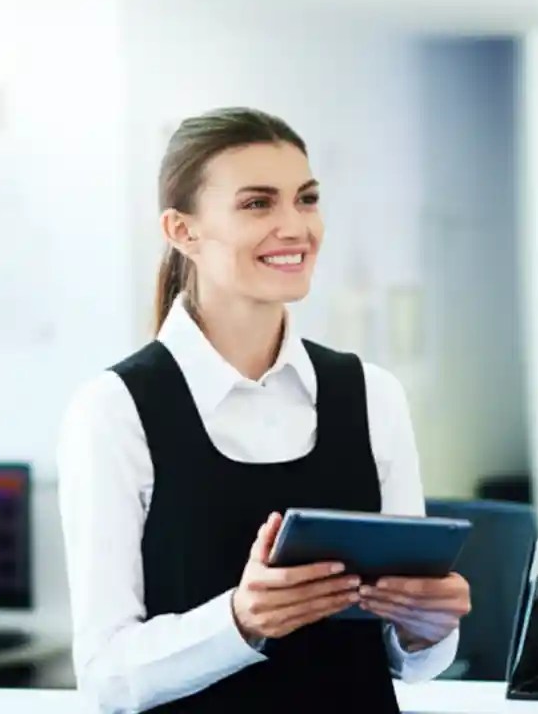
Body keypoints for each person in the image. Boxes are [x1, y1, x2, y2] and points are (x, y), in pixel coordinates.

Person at [56, 107, 469, 714]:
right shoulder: (115, 411)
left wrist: (425, 624)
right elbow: (106, 678)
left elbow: (410, 660)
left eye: (306, 199)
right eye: (257, 204)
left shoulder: (371, 394)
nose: (295, 226)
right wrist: (241, 620)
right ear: (182, 231)